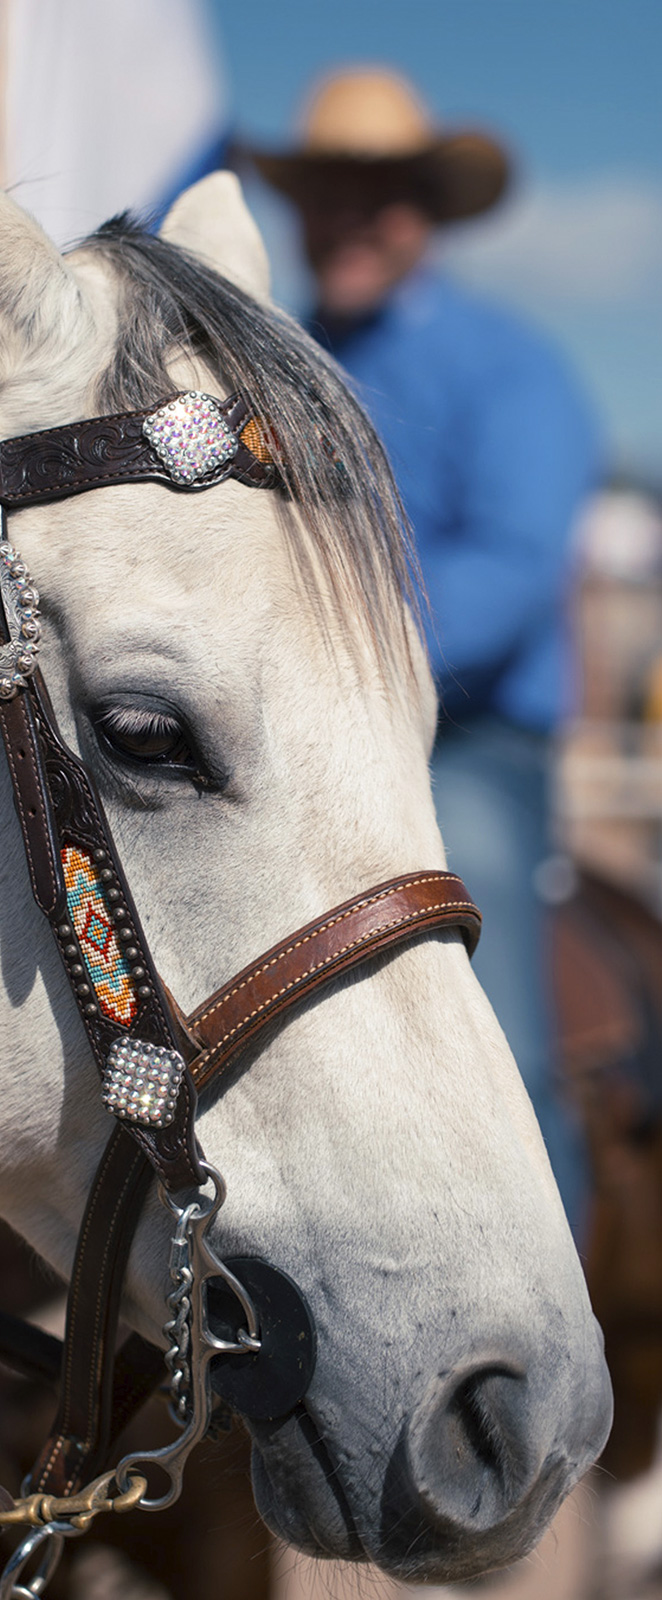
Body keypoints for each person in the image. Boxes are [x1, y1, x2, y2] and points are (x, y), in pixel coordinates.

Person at [246, 68, 599, 1237]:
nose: (347, 218)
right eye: (327, 194)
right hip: (279, 724)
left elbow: (511, 563)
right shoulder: (263, 365)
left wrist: (326, 658)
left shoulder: (511, 367)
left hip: (467, 735)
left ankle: (543, 1287)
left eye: (376, 196)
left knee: (492, 1007)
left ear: (425, 214)